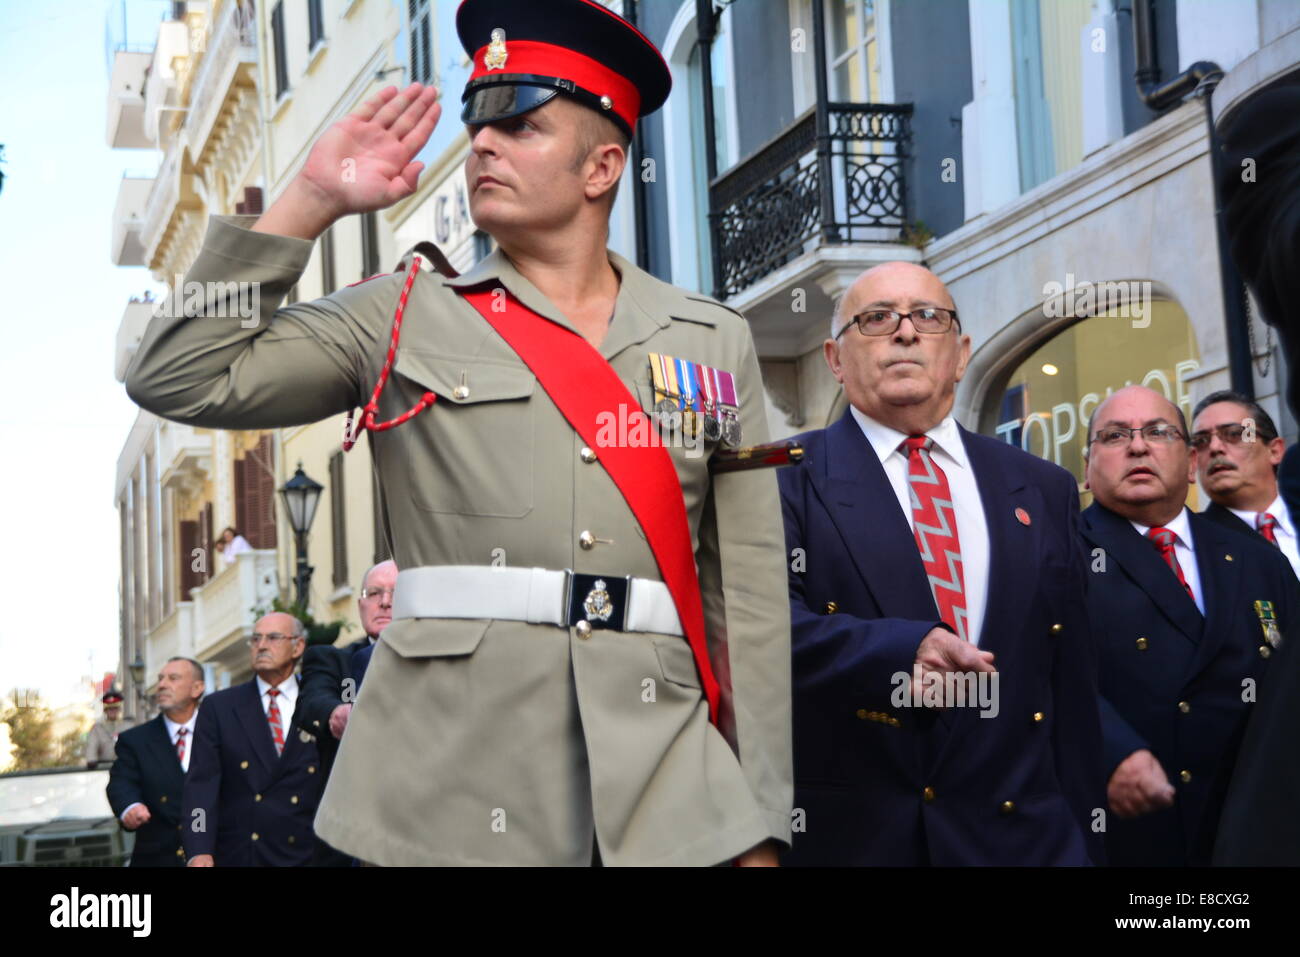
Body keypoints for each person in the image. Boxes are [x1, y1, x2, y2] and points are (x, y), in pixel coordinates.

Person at [125, 0, 790, 867]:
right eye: (479, 122)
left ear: (602, 167)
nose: (483, 144)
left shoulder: (710, 339)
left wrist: (759, 819)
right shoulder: (399, 314)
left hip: (670, 798)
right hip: (450, 796)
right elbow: (176, 371)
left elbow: (746, 606)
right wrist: (312, 199)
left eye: (520, 125)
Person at [778, 262, 1104, 866]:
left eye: (928, 317)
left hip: (1029, 843)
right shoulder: (784, 477)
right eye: (876, 318)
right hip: (864, 842)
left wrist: (1087, 841)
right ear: (834, 358)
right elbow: (758, 633)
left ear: (961, 353)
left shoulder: (1042, 487)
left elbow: (1071, 683)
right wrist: (898, 650)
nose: (905, 332)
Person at [1080, 385, 1299, 865]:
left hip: (1254, 832)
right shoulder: (1057, 555)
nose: (1138, 446)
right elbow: (1034, 669)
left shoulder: (1259, 560)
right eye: (1115, 436)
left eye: (1159, 432)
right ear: (1087, 469)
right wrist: (1111, 751)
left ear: (1190, 460)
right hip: (1129, 840)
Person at [181, 613, 323, 866]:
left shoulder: (320, 703)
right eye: (256, 639)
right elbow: (201, 788)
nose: (262, 645)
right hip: (243, 855)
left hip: (309, 853)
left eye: (274, 637)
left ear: (298, 646)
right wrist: (199, 848)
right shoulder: (219, 707)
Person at [294, 560, 396, 865]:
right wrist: (336, 713)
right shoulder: (332, 660)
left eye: (396, 592)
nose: (386, 602)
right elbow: (312, 701)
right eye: (375, 593)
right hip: (351, 843)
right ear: (361, 603)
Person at [106, 658, 205, 866]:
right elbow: (121, 782)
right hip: (159, 859)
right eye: (161, 678)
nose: (162, 684)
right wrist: (130, 806)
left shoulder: (220, 732)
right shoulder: (135, 740)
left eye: (173, 678)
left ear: (197, 688)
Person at [1192, 390, 1299, 577]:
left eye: (1234, 434)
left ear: (1274, 451)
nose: (1214, 448)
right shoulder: (1192, 543)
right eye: (1201, 441)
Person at [85, 689, 134, 769]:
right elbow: (92, 745)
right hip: (104, 767)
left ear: (119, 709)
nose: (112, 711)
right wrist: (91, 760)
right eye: (109, 709)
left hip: (125, 766)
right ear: (105, 711)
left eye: (115, 708)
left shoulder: (128, 726)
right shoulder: (97, 728)